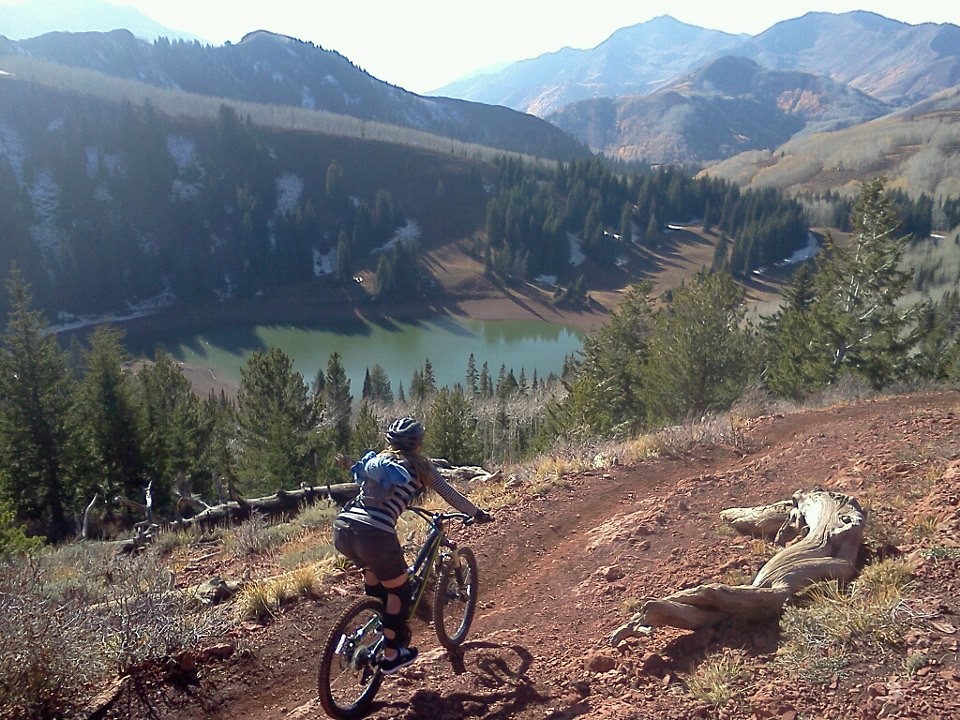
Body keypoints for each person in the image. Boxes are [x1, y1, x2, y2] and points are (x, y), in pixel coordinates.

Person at [333, 416, 492, 674]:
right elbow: (450, 494)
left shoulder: (376, 462)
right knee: (401, 591)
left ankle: (377, 627)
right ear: (417, 444)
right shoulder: (421, 468)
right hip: (374, 534)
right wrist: (477, 513)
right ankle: (392, 653)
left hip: (343, 529)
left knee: (379, 584)